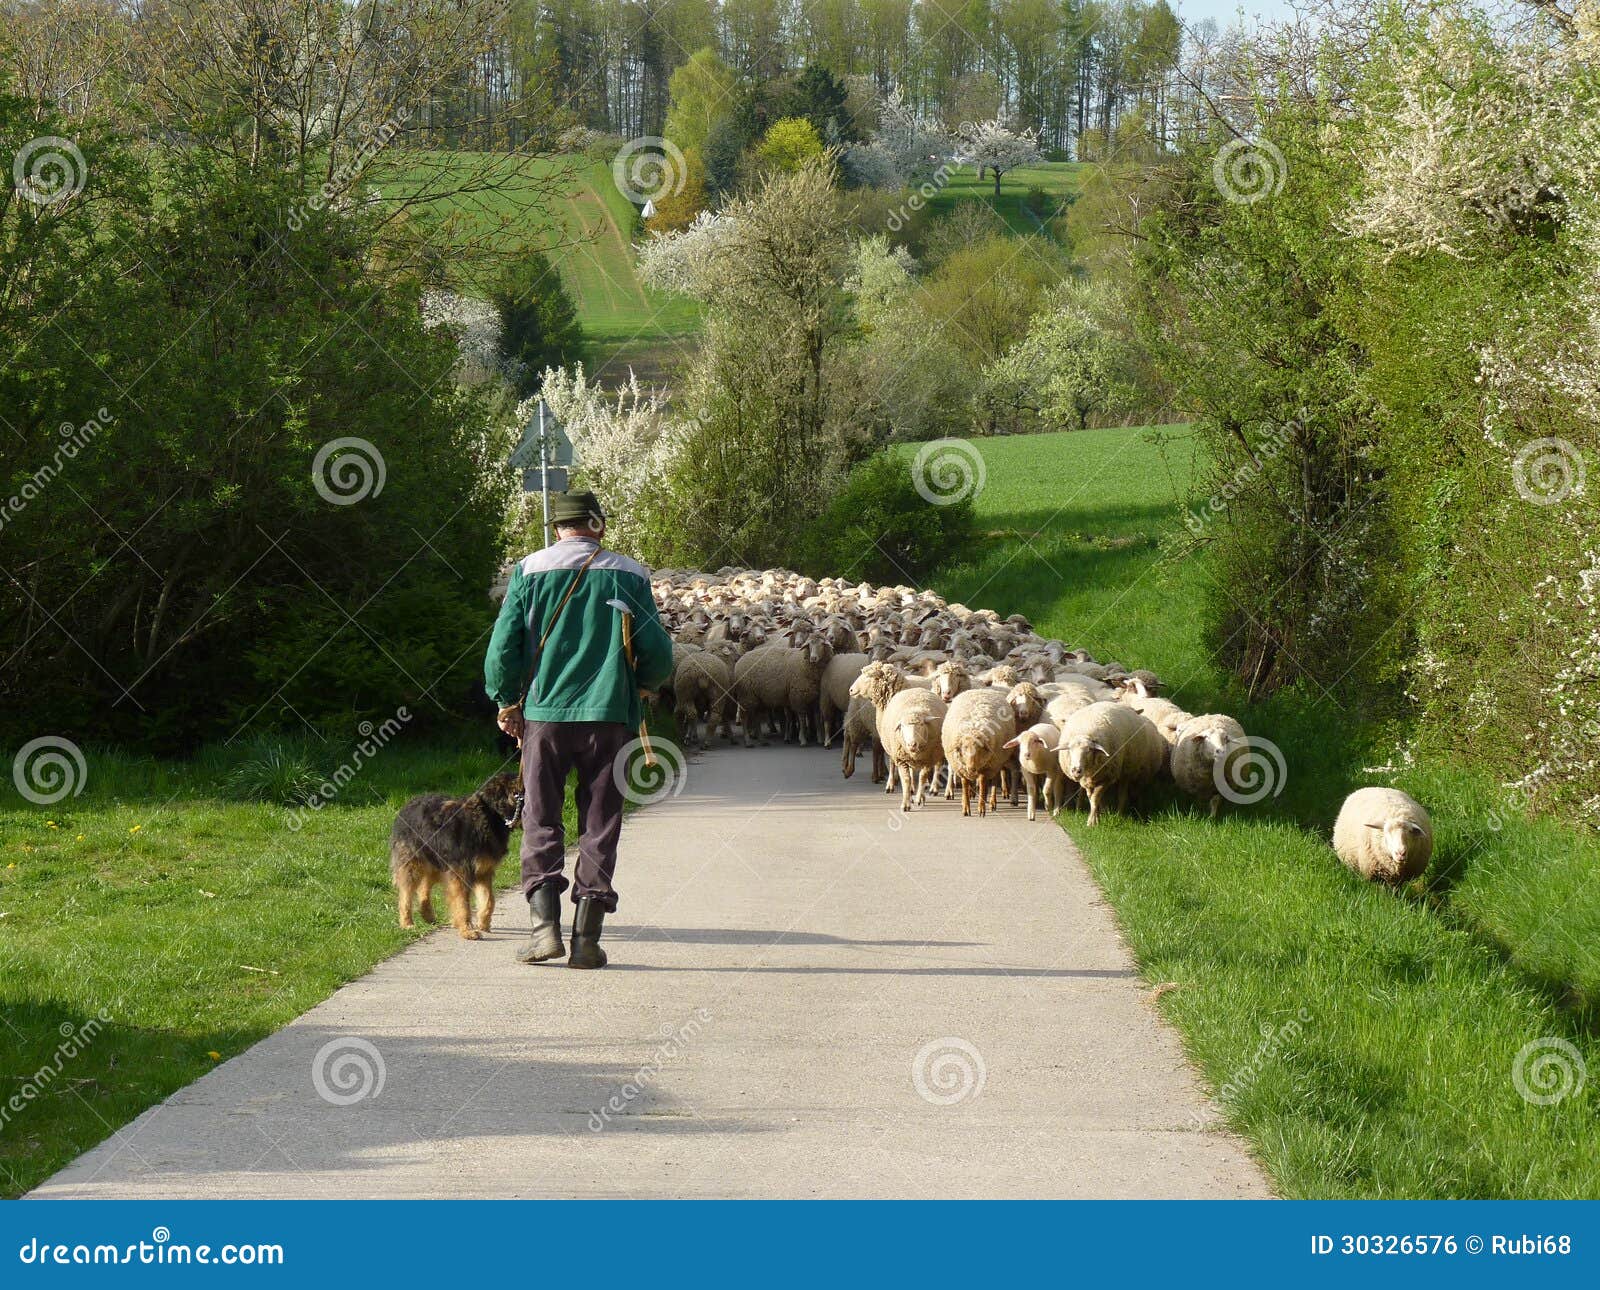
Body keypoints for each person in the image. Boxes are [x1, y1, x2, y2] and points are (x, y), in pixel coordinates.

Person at [484, 491, 673, 969]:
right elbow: (656, 649)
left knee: (540, 818)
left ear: (556, 529)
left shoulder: (529, 571)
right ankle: (586, 940)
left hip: (546, 716)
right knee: (601, 822)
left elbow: (504, 645)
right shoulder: (630, 573)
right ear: (600, 527)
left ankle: (543, 931)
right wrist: (645, 686)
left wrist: (506, 700)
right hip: (611, 717)